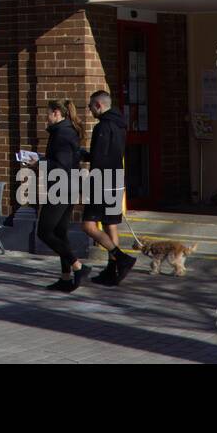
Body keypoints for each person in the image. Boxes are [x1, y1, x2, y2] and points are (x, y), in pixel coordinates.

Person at [82, 90, 137, 286]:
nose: (89, 111)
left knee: (88, 225)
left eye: (90, 107)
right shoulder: (121, 124)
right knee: (110, 224)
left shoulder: (103, 127)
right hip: (116, 178)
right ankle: (113, 270)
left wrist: (83, 156)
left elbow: (99, 157)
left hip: (102, 181)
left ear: (98, 105)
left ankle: (121, 258)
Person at [36, 99, 89, 291]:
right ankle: (66, 278)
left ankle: (78, 266)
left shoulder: (63, 133)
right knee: (59, 232)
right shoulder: (64, 131)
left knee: (44, 231)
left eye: (48, 113)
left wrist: (38, 163)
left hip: (62, 187)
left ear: (57, 113)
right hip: (68, 186)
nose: (46, 117)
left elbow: (62, 165)